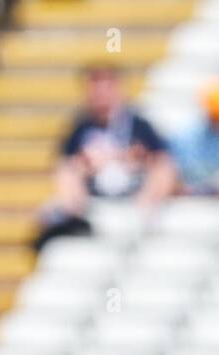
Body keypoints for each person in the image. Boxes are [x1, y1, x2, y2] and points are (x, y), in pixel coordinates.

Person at [33, 63, 177, 249]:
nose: (100, 95)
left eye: (106, 87)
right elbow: (66, 169)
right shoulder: (79, 129)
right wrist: (75, 199)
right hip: (93, 205)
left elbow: (163, 166)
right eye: (94, 88)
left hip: (134, 204)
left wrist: (147, 200)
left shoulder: (140, 127)